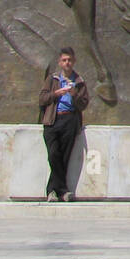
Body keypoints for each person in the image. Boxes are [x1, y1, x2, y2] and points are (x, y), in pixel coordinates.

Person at [38, 48, 91, 202]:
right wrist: (56, 94)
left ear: (73, 62)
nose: (67, 63)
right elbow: (42, 99)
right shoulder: (52, 79)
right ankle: (61, 190)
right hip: (53, 120)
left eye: (69, 60)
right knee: (54, 154)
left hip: (70, 121)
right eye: (64, 60)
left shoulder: (79, 81)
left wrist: (74, 93)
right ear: (60, 62)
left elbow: (83, 104)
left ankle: (54, 192)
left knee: (65, 156)